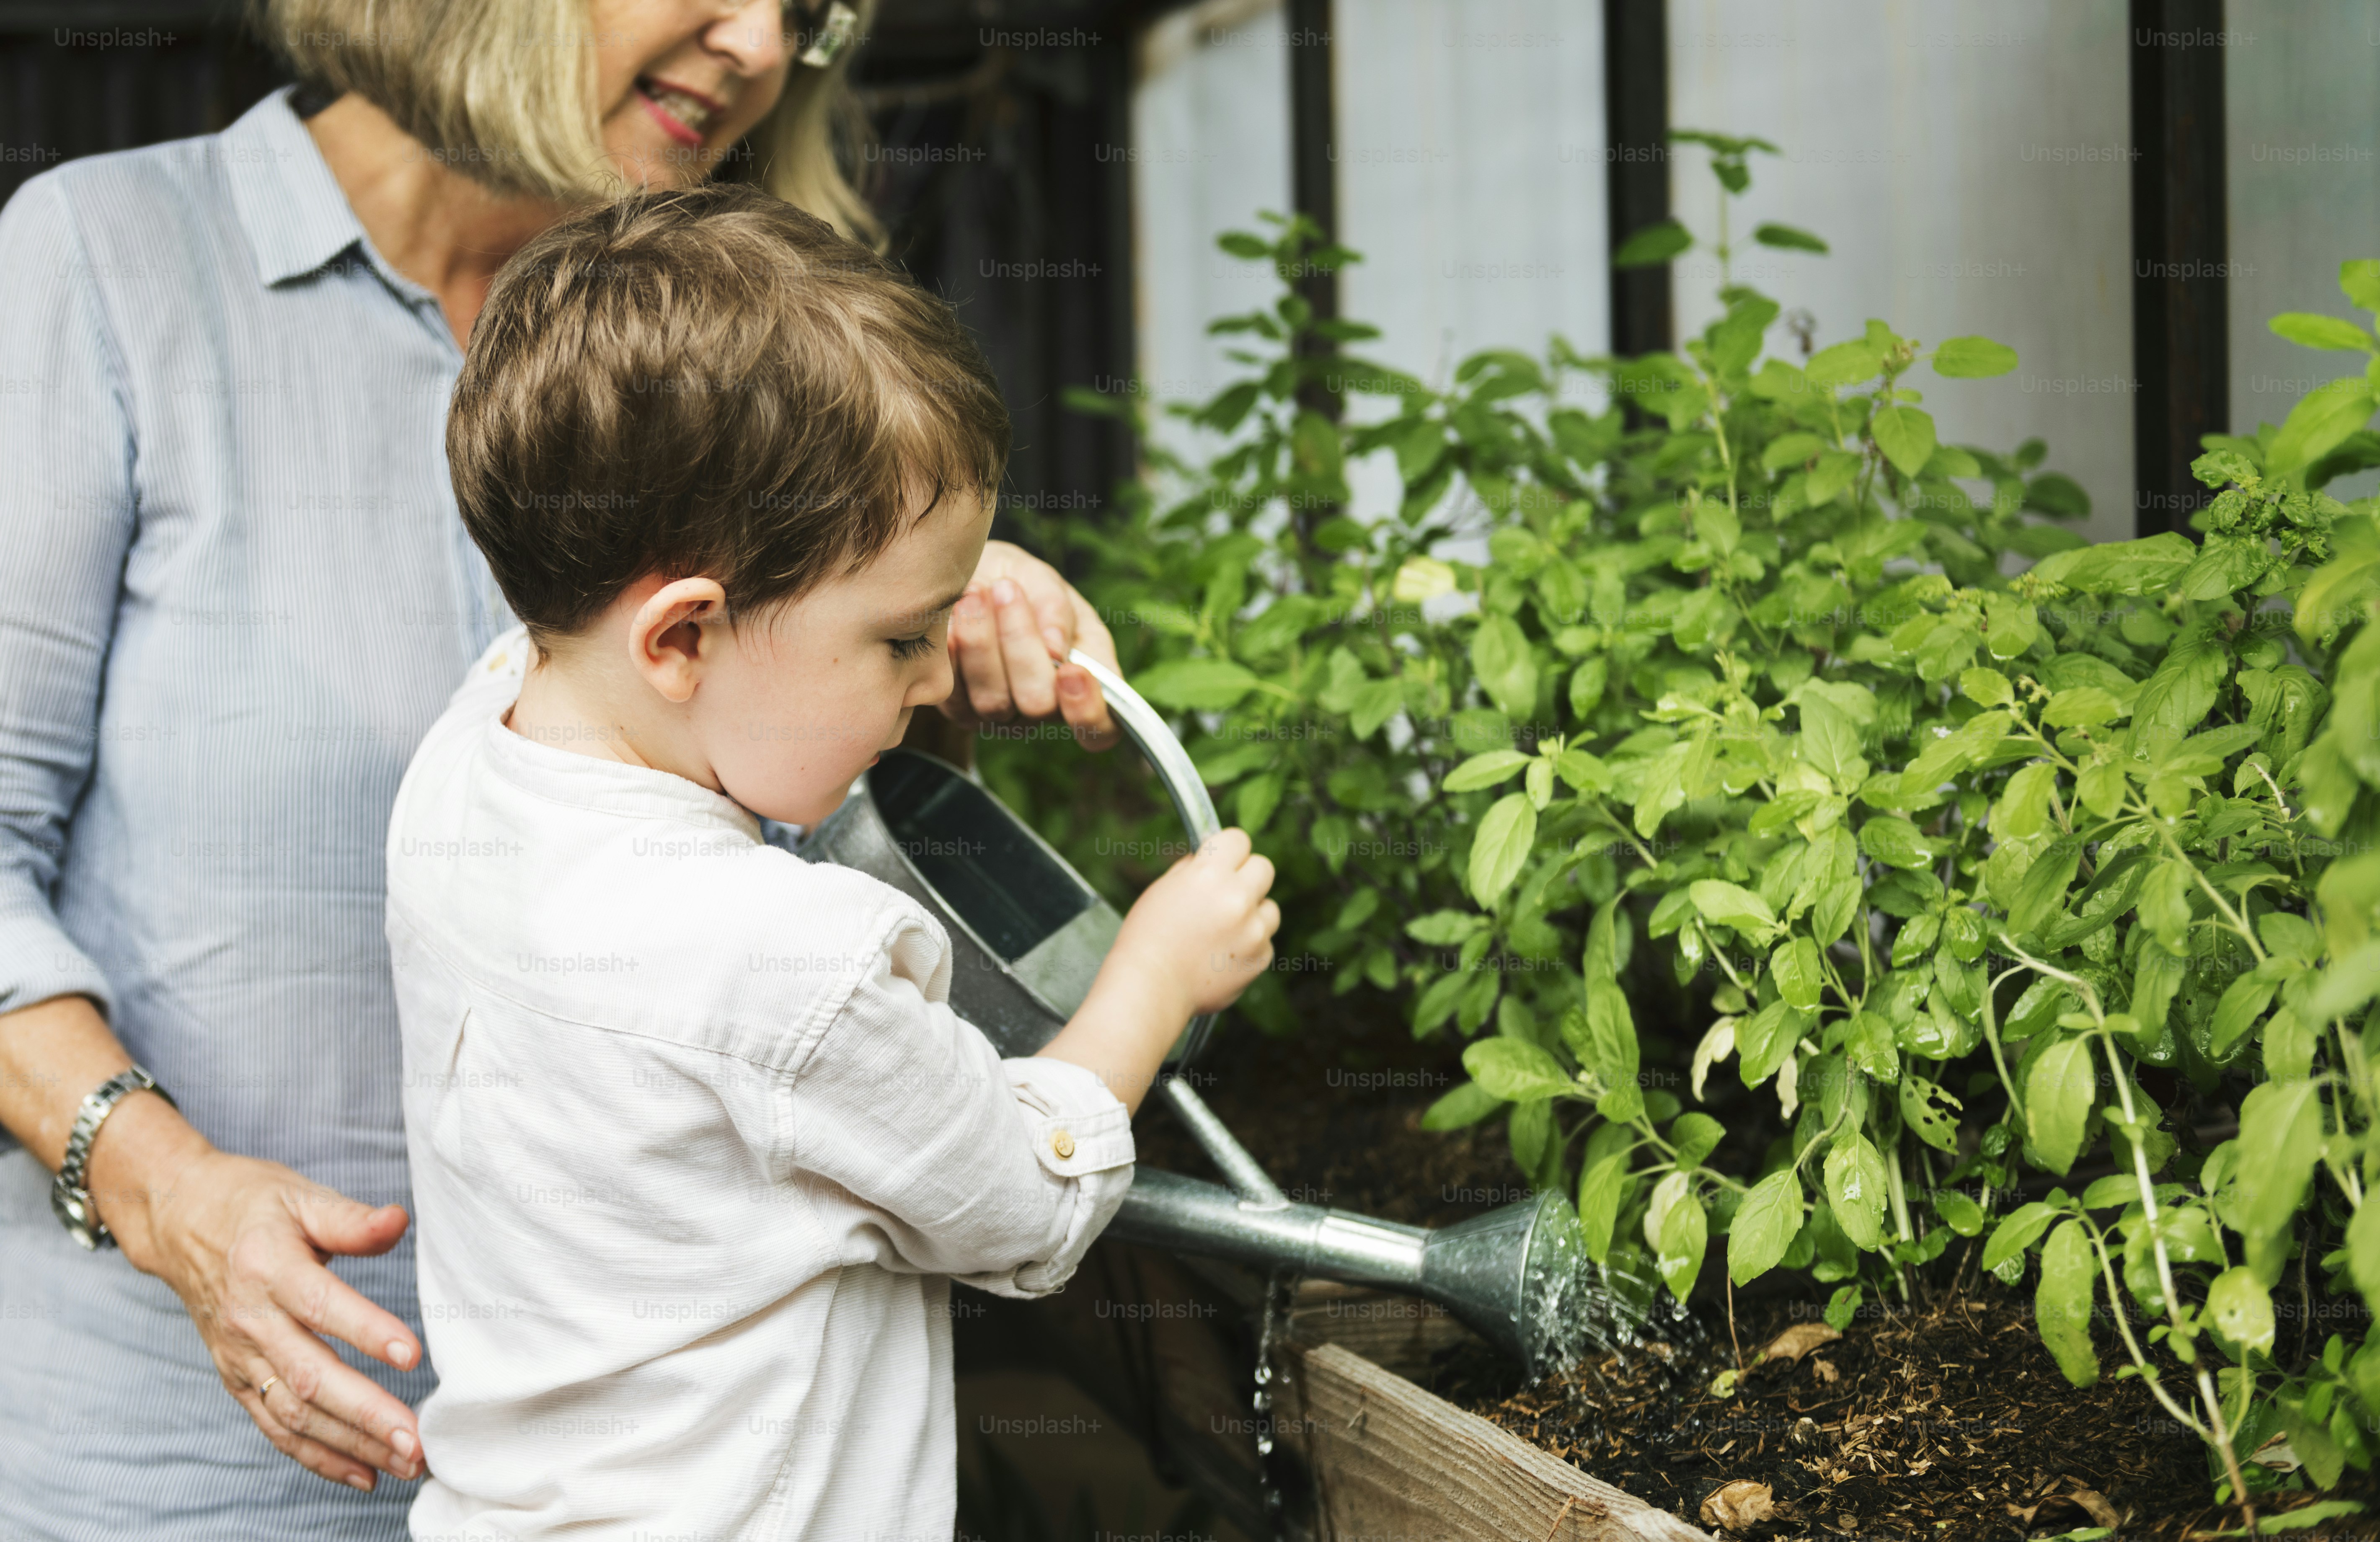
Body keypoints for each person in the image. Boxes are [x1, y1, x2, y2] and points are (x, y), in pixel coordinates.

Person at [0, 2, 1118, 1534]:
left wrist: (918, 646)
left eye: (809, 12)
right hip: (182, 1462)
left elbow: (741, 887)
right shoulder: (107, 264)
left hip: (682, 1474)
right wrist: (157, 1181)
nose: (758, 43)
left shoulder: (748, 344)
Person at [387, 184, 1277, 1537]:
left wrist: (911, 585)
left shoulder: (473, 749)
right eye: (902, 640)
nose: (933, 682)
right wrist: (1157, 975)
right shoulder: (780, 959)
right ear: (680, 639)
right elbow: (1024, 1200)